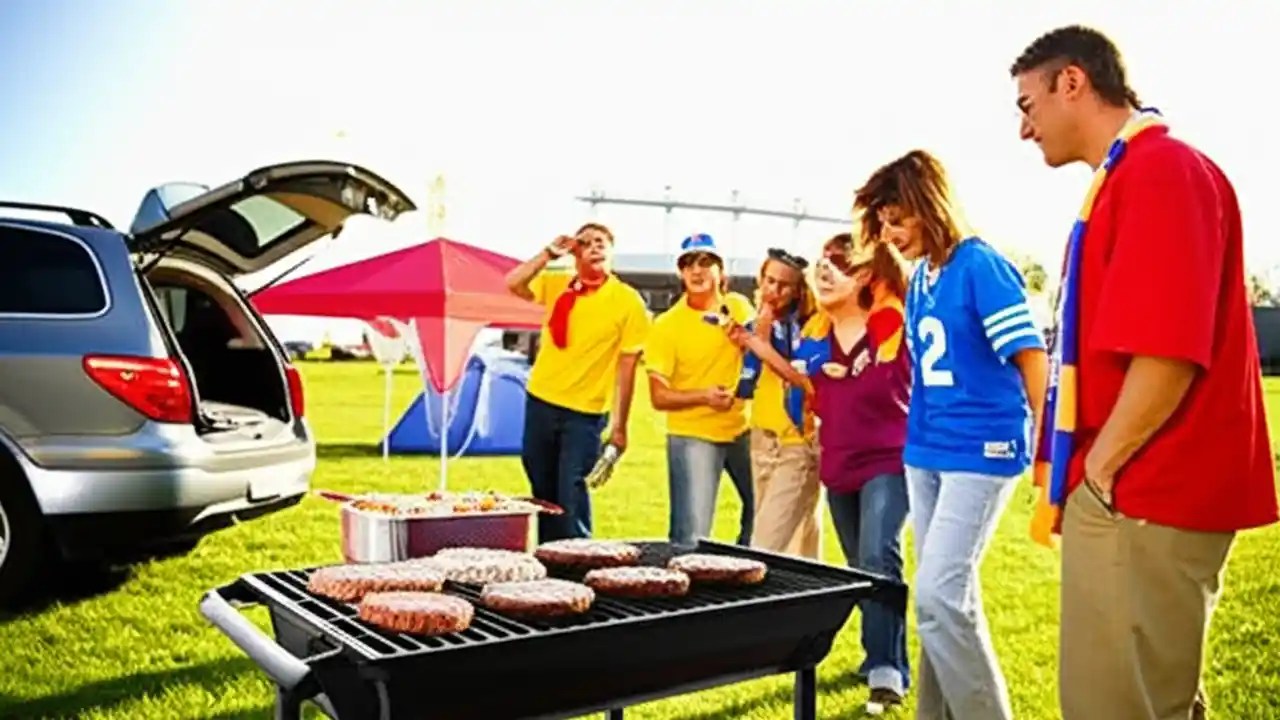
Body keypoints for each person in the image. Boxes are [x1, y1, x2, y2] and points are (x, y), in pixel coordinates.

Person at [1010, 25, 1279, 720]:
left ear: (1073, 81)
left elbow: (1166, 353)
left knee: (1117, 707)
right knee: (1153, 701)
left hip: (1144, 491)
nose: (1022, 129)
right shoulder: (1135, 175)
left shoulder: (1160, 171)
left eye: (1027, 105)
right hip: (1137, 492)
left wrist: (1100, 473)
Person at [854, 149, 1049, 720]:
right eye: (882, 223)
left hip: (981, 451)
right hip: (927, 451)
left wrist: (1047, 449)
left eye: (897, 219)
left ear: (928, 206)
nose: (889, 234)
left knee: (941, 592)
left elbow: (1032, 358)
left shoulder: (980, 265)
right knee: (942, 598)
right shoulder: (921, 280)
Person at [730, 234, 914, 710]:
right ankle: (890, 656)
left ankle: (884, 672)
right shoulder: (815, 337)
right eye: (824, 264)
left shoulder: (890, 323)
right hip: (839, 464)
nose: (826, 270)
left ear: (868, 277)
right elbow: (801, 382)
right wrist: (759, 340)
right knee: (865, 569)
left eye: (842, 264)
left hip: (889, 459)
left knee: (879, 555)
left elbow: (904, 289)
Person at [504, 223, 650, 541]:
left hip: (585, 414)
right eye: (586, 243)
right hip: (541, 400)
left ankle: (579, 562)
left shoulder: (627, 301)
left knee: (571, 488)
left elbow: (627, 368)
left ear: (611, 251)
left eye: (602, 242)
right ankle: (549, 559)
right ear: (575, 253)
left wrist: (620, 429)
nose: (595, 247)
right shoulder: (557, 285)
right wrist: (548, 253)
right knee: (541, 488)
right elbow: (513, 283)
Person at [644, 233, 754, 547]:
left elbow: (764, 356)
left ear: (721, 271)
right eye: (688, 263)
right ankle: (683, 585)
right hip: (694, 435)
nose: (697, 270)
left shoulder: (738, 307)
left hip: (743, 428)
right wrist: (704, 396)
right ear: (680, 273)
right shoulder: (667, 325)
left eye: (706, 262)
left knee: (767, 512)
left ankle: (742, 569)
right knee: (690, 535)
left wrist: (744, 342)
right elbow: (658, 396)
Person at [735, 247, 822, 559]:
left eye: (783, 285)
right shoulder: (756, 324)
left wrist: (761, 346)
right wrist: (755, 334)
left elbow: (803, 381)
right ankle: (811, 605)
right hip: (762, 439)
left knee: (765, 545)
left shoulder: (812, 327)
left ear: (800, 289)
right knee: (799, 541)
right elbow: (748, 381)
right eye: (769, 281)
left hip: (797, 442)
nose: (773, 290)